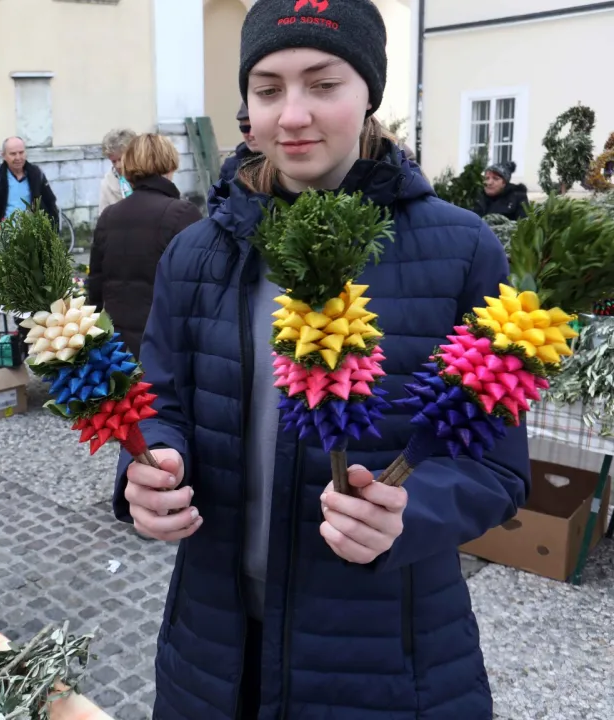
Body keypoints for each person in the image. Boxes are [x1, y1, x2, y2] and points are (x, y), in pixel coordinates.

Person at [116, 2, 529, 718]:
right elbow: (161, 403)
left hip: (387, 660)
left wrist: (411, 513)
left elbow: (496, 468)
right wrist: (148, 466)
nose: (292, 115)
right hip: (215, 654)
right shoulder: (197, 252)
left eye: (323, 83)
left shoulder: (462, 250)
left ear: (369, 91)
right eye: (268, 89)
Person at [89, 134, 201, 358]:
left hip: (117, 348)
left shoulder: (109, 216)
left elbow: (95, 285)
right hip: (165, 344)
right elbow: (198, 287)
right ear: (169, 164)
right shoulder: (182, 214)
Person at [0, 136, 60, 231]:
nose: (18, 157)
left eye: (21, 152)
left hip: (32, 238)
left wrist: (53, 235)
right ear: (4, 156)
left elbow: (51, 205)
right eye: (13, 154)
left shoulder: (36, 175)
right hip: (3, 239)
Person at [218, 101, 261, 185]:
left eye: (258, 128)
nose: (252, 134)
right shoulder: (230, 167)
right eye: (245, 128)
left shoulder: (285, 164)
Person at [97, 128, 138, 216]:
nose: (118, 165)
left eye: (121, 159)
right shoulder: (107, 184)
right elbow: (102, 218)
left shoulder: (147, 175)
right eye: (114, 161)